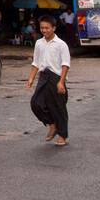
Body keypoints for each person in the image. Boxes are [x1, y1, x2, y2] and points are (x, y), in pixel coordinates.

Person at [27, 15, 71, 147]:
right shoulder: (39, 43)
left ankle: (62, 135)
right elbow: (36, 62)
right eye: (42, 28)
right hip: (43, 76)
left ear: (54, 28)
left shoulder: (61, 44)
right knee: (36, 103)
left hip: (56, 77)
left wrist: (61, 82)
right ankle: (52, 124)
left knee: (58, 107)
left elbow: (65, 64)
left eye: (47, 28)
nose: (44, 30)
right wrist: (31, 78)